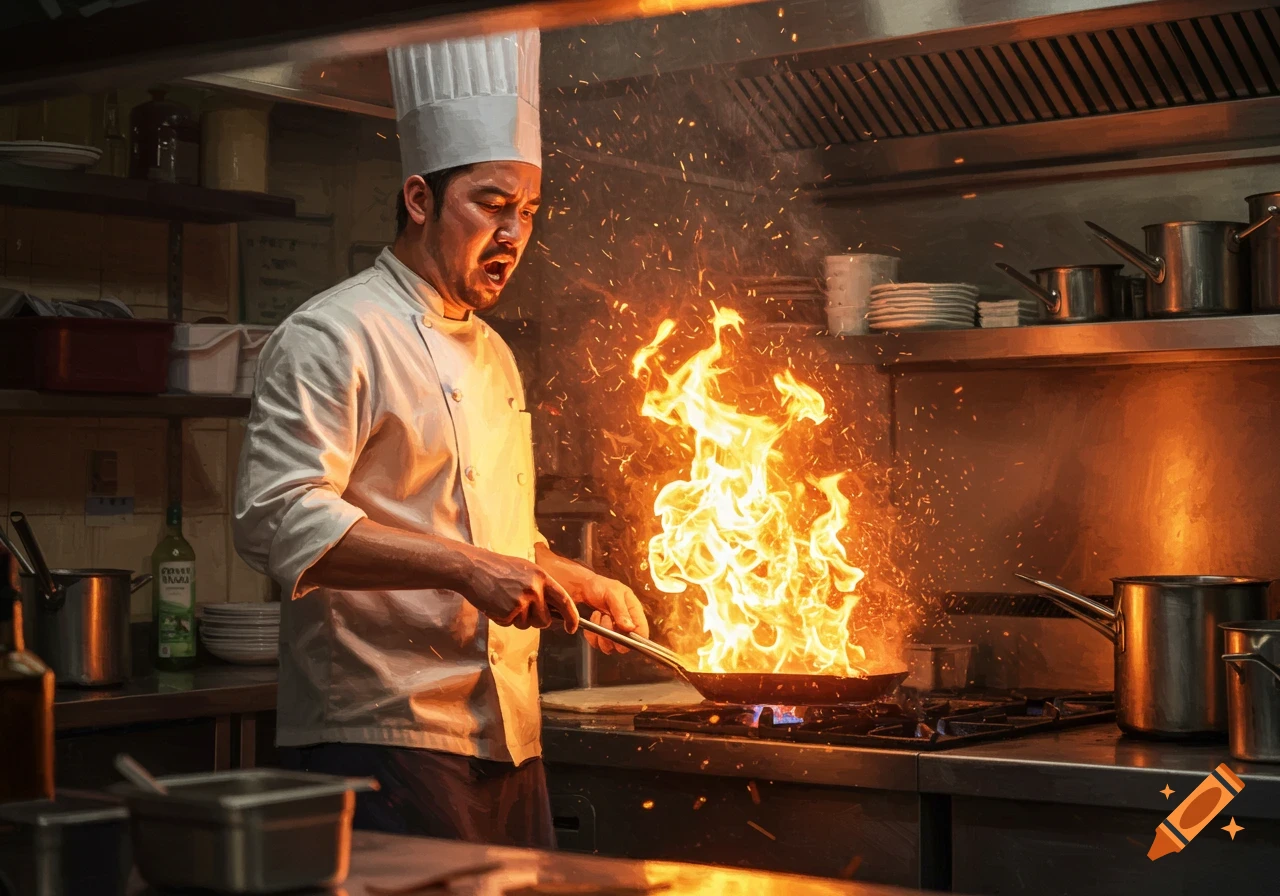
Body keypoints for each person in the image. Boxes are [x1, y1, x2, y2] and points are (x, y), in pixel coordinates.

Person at [231, 29, 647, 849]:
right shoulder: (333, 332)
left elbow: (489, 535)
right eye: (491, 204)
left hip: (507, 735)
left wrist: (564, 574)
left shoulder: (492, 351)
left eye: (527, 212)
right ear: (420, 199)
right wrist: (467, 569)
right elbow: (274, 518)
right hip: (383, 729)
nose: (513, 234)